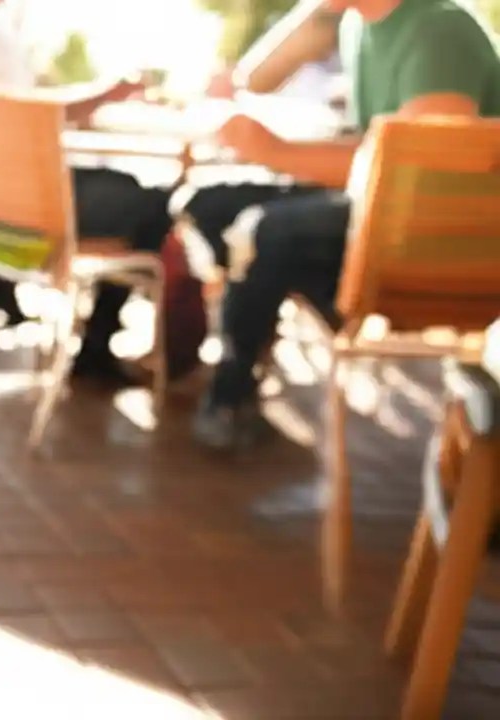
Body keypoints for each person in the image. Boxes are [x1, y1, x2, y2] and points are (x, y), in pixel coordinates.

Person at [190, 0, 500, 449]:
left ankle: (231, 394)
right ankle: (268, 326)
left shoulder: (439, 28)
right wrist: (315, 13)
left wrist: (276, 152)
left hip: (438, 241)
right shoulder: (355, 25)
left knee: (268, 230)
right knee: (211, 203)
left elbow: (421, 171)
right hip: (379, 212)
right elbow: (251, 79)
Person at [0, 0, 166, 382]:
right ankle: (99, 344)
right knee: (154, 204)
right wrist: (106, 94)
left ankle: (35, 307)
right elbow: (32, 116)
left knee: (125, 189)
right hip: (13, 200)